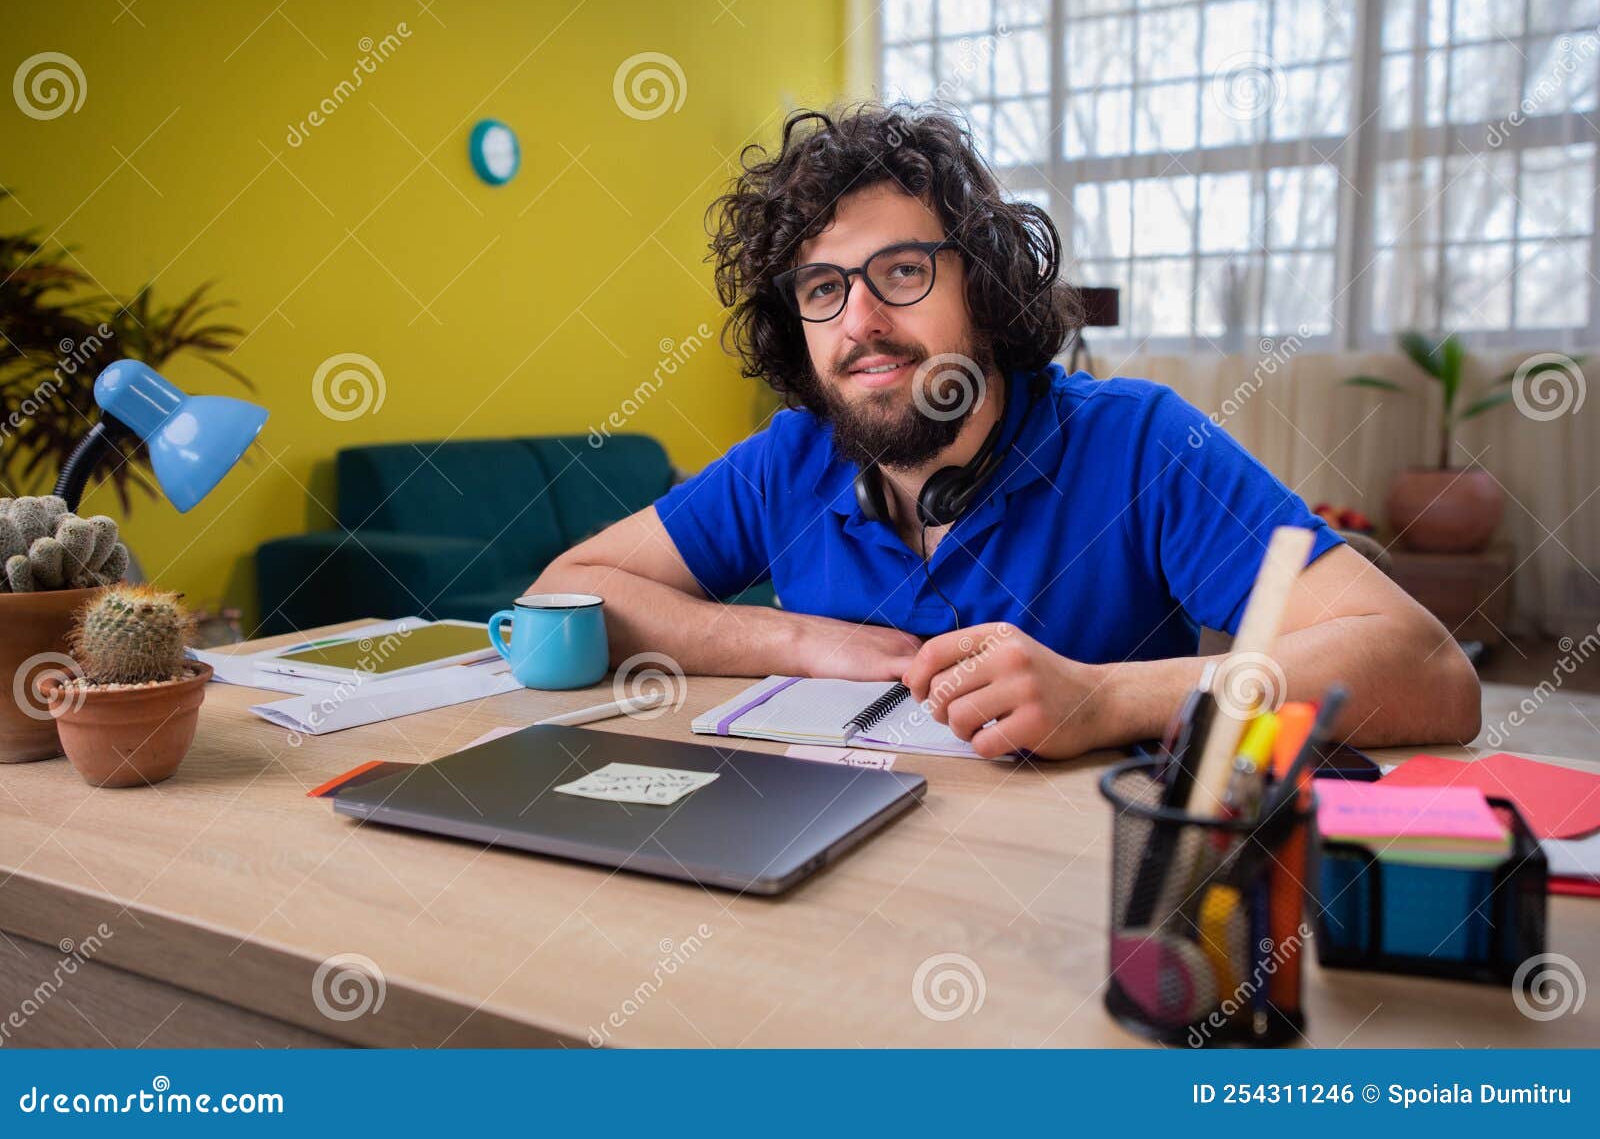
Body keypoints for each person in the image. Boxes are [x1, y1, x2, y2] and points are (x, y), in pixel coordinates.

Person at [531, 104, 1480, 760]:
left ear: (982, 288)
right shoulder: (793, 458)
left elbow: (1430, 669)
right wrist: (797, 640)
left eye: (902, 271)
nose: (859, 320)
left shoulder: (1141, 444)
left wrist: (1108, 699)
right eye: (825, 289)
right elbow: (564, 593)